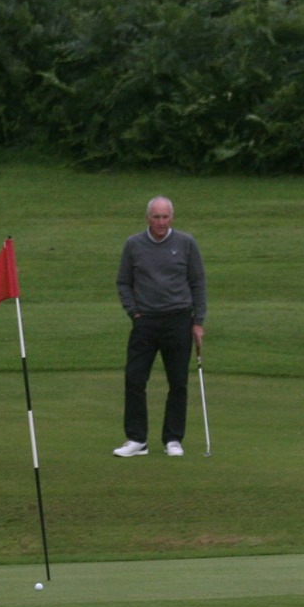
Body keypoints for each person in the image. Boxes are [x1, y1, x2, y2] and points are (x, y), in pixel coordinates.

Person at [113, 196, 205, 458]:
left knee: (178, 381)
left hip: (178, 319)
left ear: (172, 218)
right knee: (134, 379)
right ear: (148, 218)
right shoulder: (134, 245)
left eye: (165, 217)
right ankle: (136, 439)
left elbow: (198, 283)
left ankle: (173, 439)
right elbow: (123, 282)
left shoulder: (186, 244)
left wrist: (198, 322)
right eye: (156, 217)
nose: (161, 222)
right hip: (145, 322)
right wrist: (135, 313)